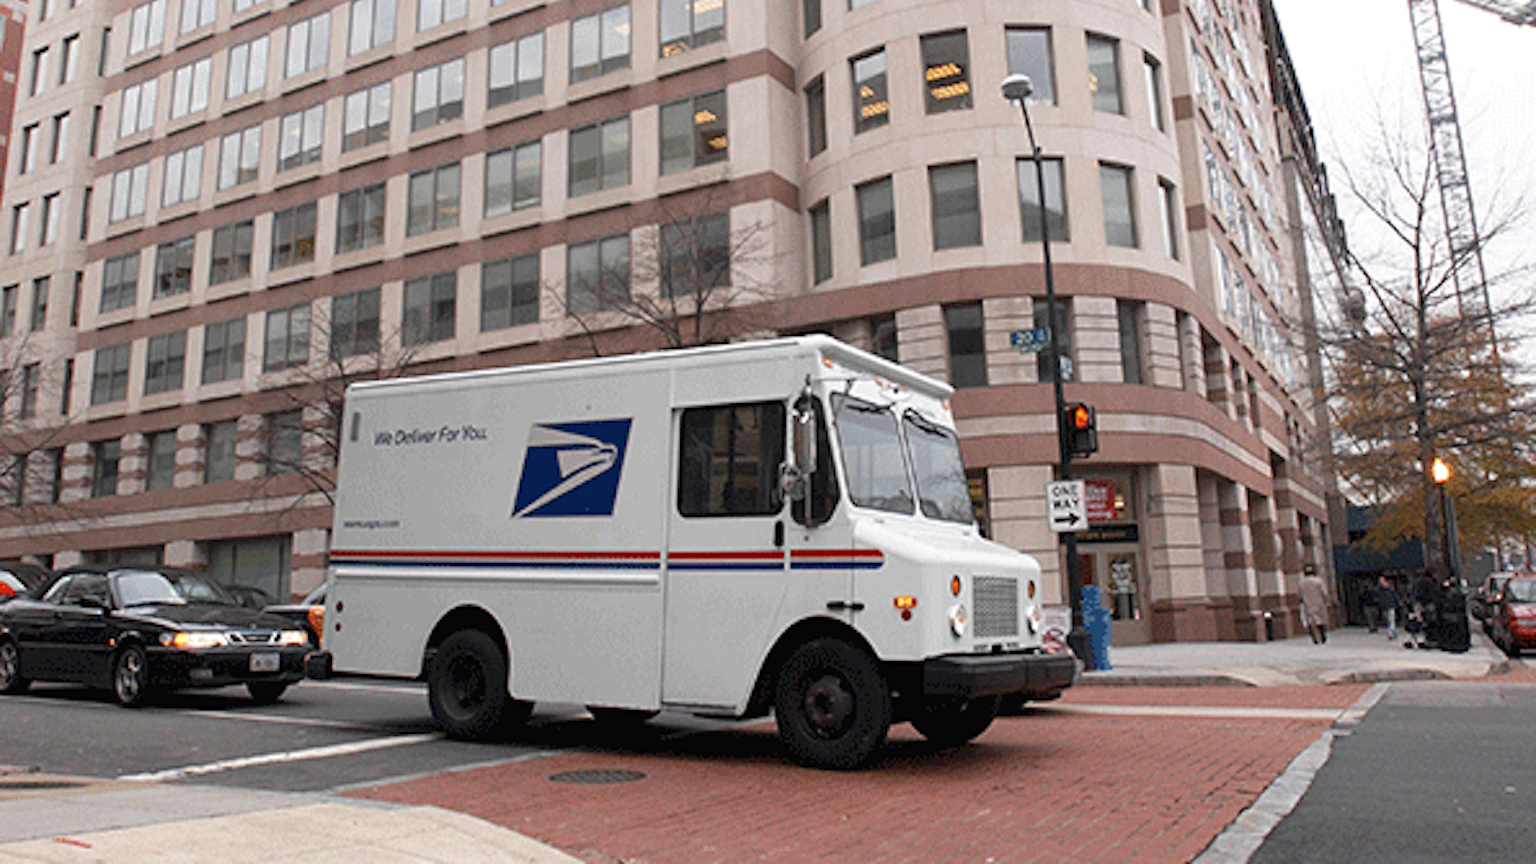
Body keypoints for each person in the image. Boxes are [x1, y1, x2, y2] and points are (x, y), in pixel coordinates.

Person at [1299, 564, 1329, 644]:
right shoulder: (1318, 581)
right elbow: (1324, 593)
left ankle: (1314, 638)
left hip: (1307, 604)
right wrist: (1326, 600)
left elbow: (1300, 595)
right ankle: (1322, 636)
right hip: (1319, 603)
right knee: (1320, 620)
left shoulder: (1302, 582)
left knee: (1311, 621)